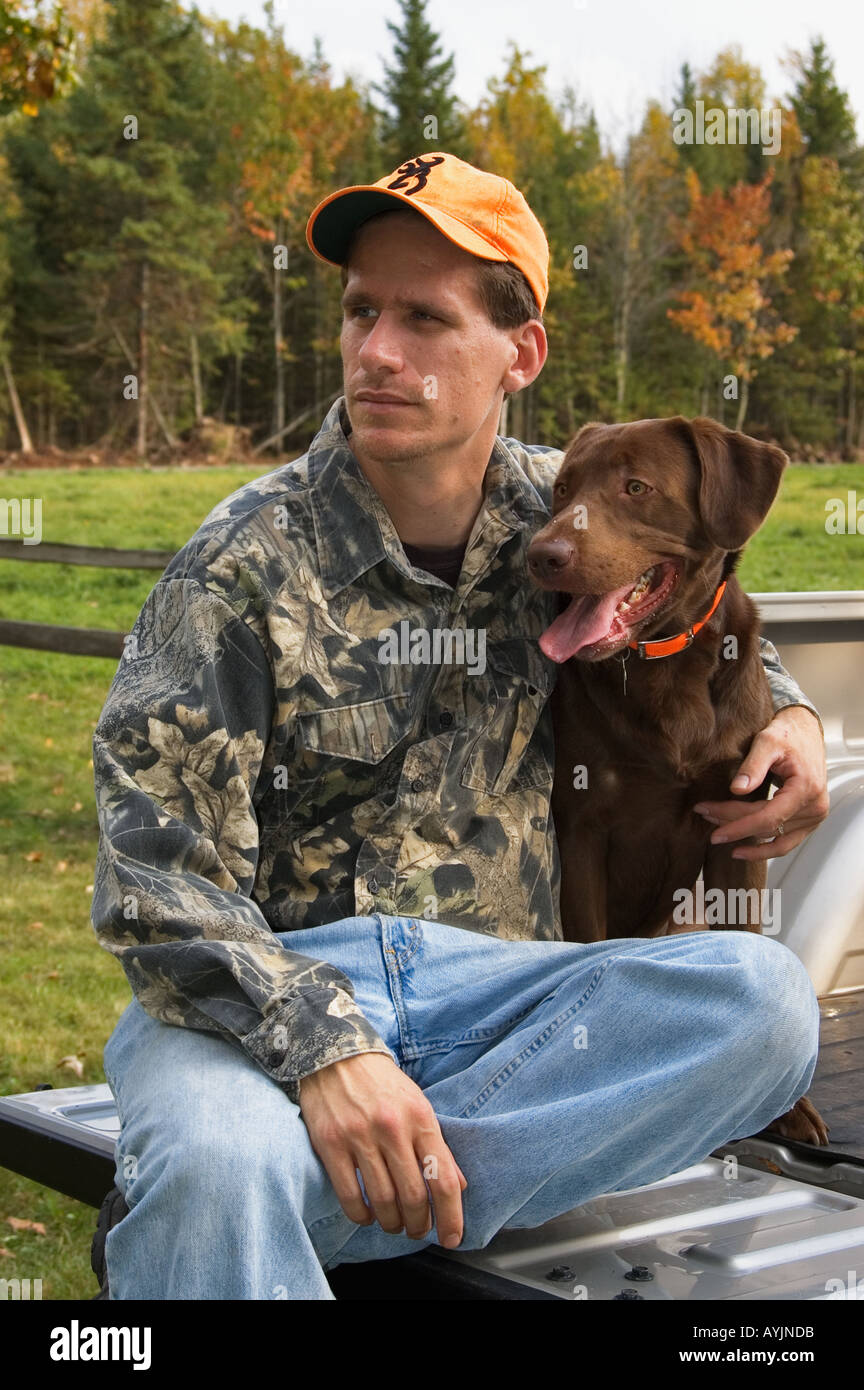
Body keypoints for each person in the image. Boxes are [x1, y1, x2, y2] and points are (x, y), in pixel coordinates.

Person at [91, 152, 829, 1300]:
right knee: (222, 1152)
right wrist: (326, 1048)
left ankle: (244, 1209)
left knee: (769, 1007)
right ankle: (244, 1184)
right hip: (262, 996)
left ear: (518, 355)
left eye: (426, 319)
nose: (378, 350)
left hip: (505, 1004)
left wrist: (793, 713)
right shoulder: (238, 568)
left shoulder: (568, 513)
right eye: (361, 312)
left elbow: (698, 604)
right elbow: (151, 879)